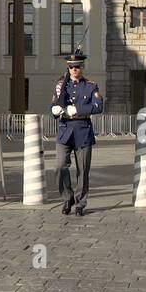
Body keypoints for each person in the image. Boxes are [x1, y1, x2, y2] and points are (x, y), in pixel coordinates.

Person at [51, 47, 103, 216]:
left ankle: (80, 202)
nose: (74, 70)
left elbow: (98, 106)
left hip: (82, 131)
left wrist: (78, 110)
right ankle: (67, 197)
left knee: (83, 170)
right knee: (59, 166)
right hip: (65, 131)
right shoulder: (61, 85)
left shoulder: (90, 86)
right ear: (68, 67)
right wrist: (54, 109)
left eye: (77, 66)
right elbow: (54, 103)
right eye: (72, 67)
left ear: (82, 67)